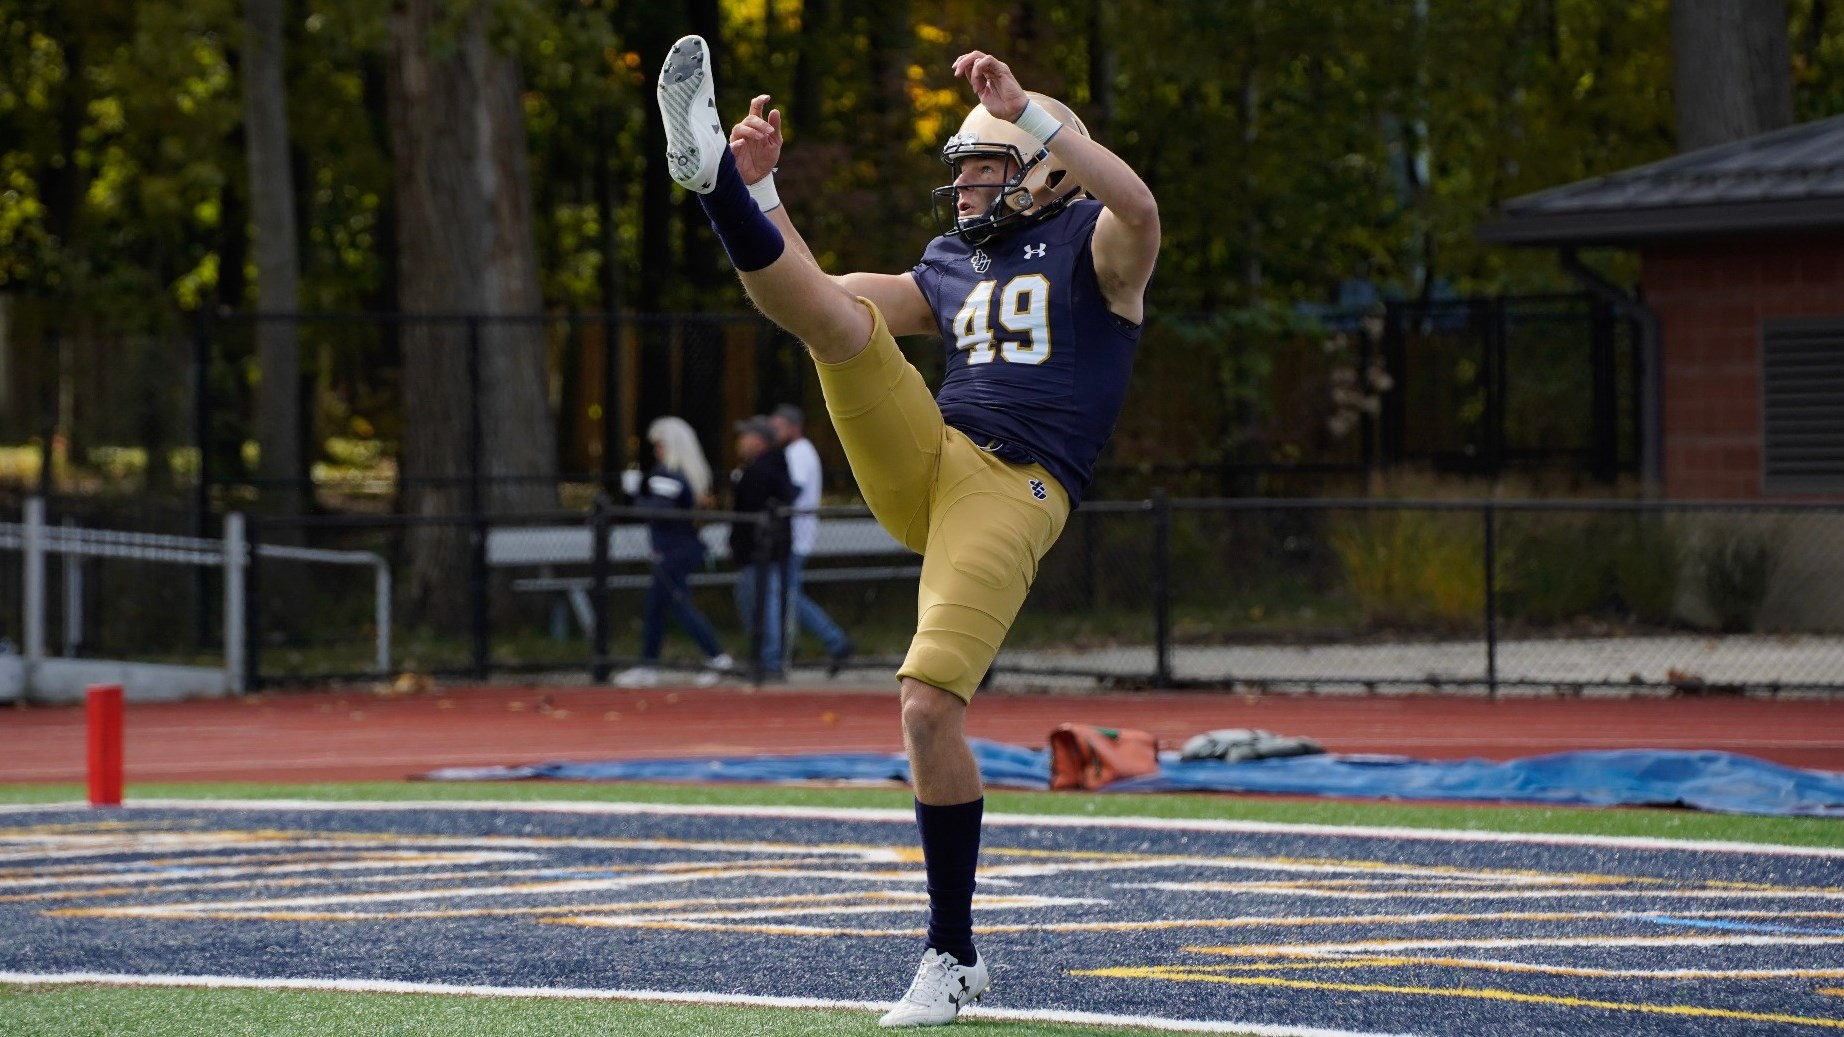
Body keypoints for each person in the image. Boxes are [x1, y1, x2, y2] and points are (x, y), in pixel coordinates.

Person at [658, 37, 1158, 1027]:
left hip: (1014, 484)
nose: (966, 184)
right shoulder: (950, 261)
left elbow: (1140, 207)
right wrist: (765, 200)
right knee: (839, 323)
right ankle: (715, 180)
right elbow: (824, 294)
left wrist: (1035, 110)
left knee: (928, 707)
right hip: (927, 457)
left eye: (988, 163)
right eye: (962, 166)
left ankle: (952, 953)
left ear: (1050, 167)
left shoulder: (1096, 242)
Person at [612, 416, 733, 688]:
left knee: (678, 606)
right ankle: (648, 665)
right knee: (656, 607)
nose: (656, 451)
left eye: (660, 445)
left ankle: (717, 656)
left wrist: (633, 495)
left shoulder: (668, 474)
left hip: (672, 552)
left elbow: (658, 512)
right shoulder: (685, 473)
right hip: (678, 549)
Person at [769, 402, 855, 675]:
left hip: (795, 536)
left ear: (794, 428)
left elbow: (792, 490)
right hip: (795, 535)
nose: (774, 433)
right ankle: (825, 641)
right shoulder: (797, 452)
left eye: (778, 427)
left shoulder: (798, 453)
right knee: (787, 595)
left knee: (789, 596)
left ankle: (834, 640)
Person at [728, 414, 797, 680]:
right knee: (757, 599)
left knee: (764, 603)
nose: (741, 441)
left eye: (746, 436)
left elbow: (754, 509)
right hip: (762, 550)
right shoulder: (768, 467)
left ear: (759, 441)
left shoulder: (762, 470)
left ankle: (768, 659)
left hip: (762, 550)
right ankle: (766, 656)